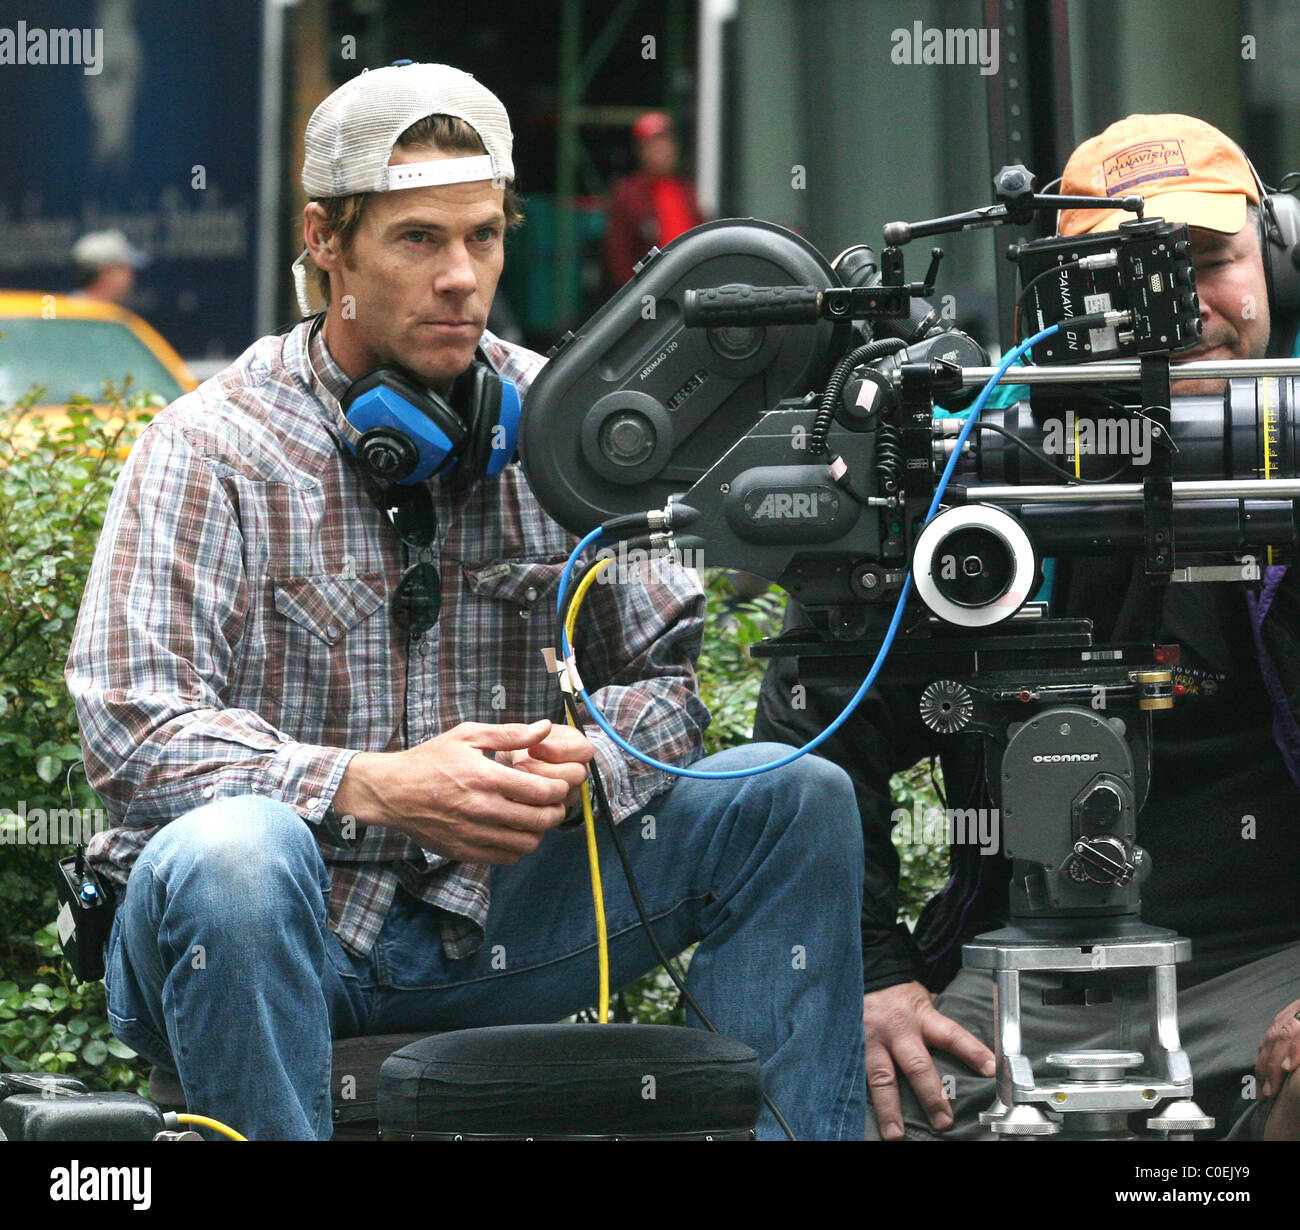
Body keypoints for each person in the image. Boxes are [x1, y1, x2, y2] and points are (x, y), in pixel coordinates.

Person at [66, 61, 867, 1142]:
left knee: (792, 799)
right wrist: (374, 786)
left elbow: (670, 684)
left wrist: (581, 759)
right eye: (417, 239)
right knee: (238, 854)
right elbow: (133, 730)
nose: (459, 276)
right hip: (268, 930)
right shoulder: (209, 449)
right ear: (324, 241)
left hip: (494, 929)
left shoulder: (568, 430)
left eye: (481, 237)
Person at [753, 113, 1300, 1141]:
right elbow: (817, 725)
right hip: (1033, 975)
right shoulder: (993, 469)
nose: (1183, 308)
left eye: (1209, 262)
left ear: (1271, 263)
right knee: (858, 1102)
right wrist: (874, 977)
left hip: (1278, 964)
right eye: (1136, 276)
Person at [603, 110, 704, 290]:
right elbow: (619, 256)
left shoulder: (686, 190)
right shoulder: (628, 194)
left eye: (665, 144)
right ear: (641, 151)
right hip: (650, 291)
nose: (660, 151)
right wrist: (635, 295)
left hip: (690, 284)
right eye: (653, 145)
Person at [71, 229, 146, 304]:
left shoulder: (111, 312)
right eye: (125, 268)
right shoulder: (74, 312)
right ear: (107, 273)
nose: (131, 276)